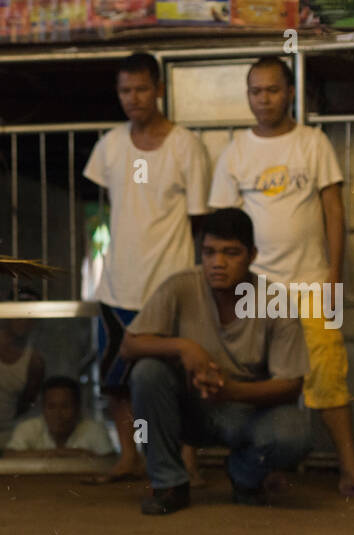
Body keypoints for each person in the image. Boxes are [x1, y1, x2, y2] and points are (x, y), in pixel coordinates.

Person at [210, 56, 354, 500]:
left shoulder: (313, 143)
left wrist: (334, 275)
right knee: (262, 381)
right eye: (256, 90)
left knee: (328, 374)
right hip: (255, 289)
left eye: (273, 89)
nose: (264, 98)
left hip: (313, 282)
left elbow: (334, 211)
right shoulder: (235, 152)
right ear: (248, 96)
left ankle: (350, 471)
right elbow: (225, 225)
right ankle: (268, 469)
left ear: (289, 93)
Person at [120, 209, 313, 515]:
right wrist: (184, 347)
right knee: (147, 372)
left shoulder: (275, 301)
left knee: (296, 431)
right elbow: (129, 345)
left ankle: (244, 477)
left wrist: (230, 391)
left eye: (230, 253)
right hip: (189, 410)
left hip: (247, 414)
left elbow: (291, 385)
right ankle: (169, 484)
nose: (217, 263)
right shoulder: (180, 286)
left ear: (252, 255)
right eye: (209, 252)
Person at [83, 51, 211, 485]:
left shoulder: (187, 146)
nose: (132, 98)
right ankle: (128, 458)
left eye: (140, 88)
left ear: (159, 89)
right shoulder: (110, 145)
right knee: (116, 384)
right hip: (118, 286)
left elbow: (199, 222)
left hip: (172, 284)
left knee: (181, 380)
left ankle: (187, 463)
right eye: (124, 90)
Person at [0, 314, 46, 455]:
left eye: (29, 317)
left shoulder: (34, 361)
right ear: (8, 314)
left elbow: (27, 402)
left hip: (5, 440)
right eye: (20, 315)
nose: (24, 321)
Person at [5, 376, 114, 459]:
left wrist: (57, 454)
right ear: (43, 408)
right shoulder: (28, 428)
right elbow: (9, 455)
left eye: (65, 406)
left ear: (78, 408)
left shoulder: (94, 430)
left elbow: (110, 460)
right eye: (51, 407)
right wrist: (61, 453)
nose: (58, 414)